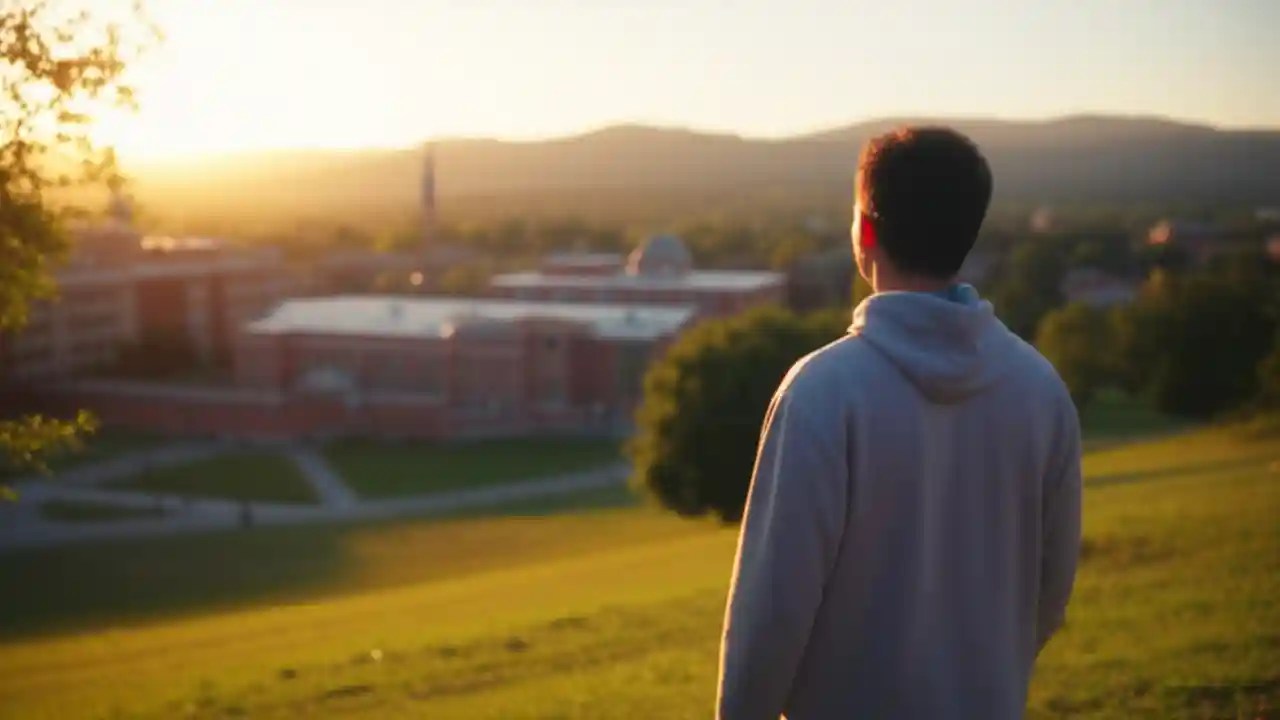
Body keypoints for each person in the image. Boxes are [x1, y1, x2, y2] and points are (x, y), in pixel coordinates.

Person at [717, 127, 1082, 720]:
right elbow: (1051, 589)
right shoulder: (1040, 390)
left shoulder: (822, 392)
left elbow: (773, 610)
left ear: (865, 231)